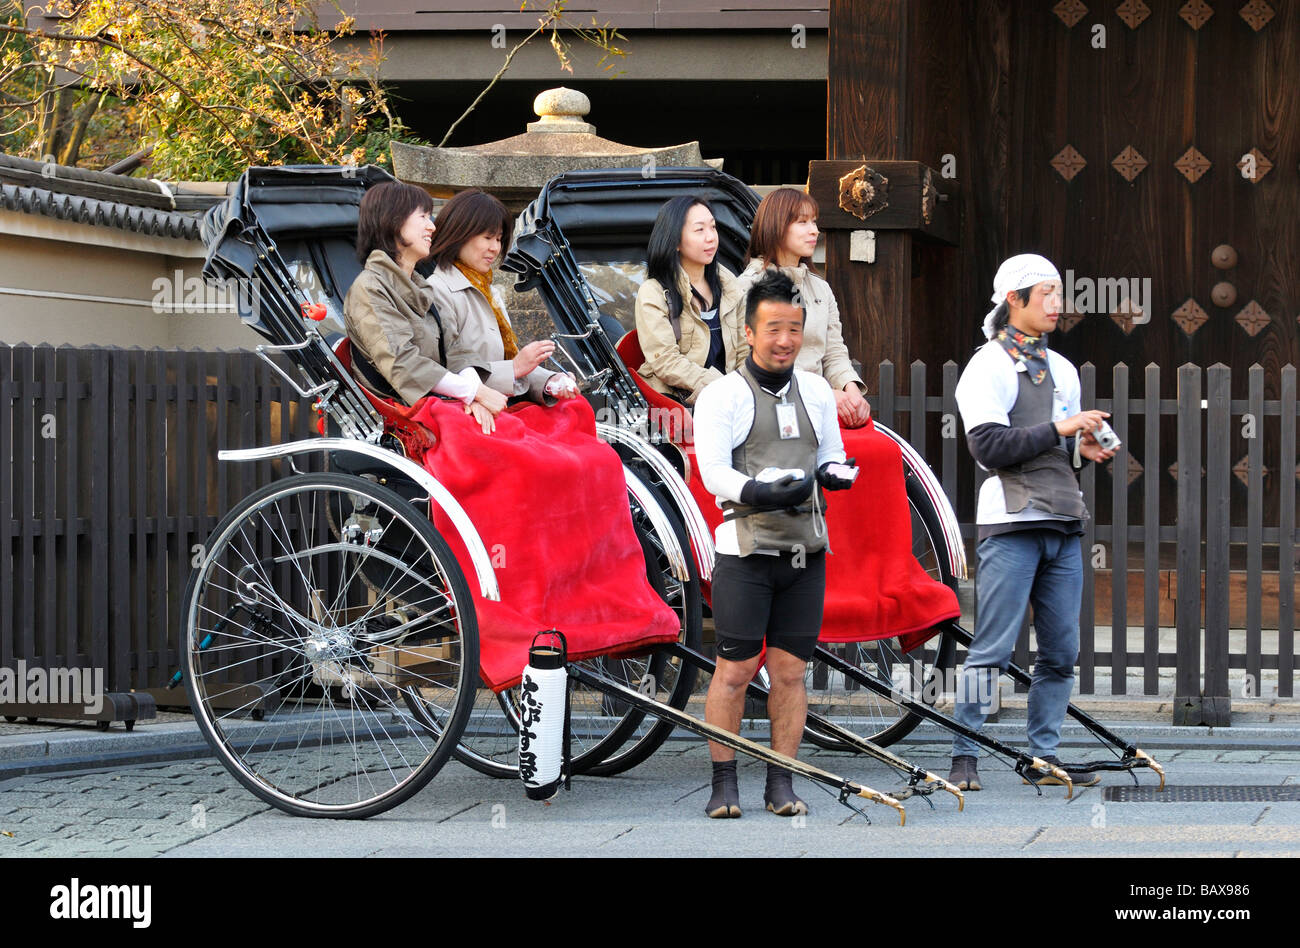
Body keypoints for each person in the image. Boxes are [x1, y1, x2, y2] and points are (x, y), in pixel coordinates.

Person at [948, 253, 1118, 792]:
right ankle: (963, 755)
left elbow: (1054, 442)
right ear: (1013, 300)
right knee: (993, 648)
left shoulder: (1062, 369)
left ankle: (1043, 756)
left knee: (1062, 651)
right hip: (1011, 522)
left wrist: (1080, 446)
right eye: (1045, 293)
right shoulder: (987, 365)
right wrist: (1061, 426)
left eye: (1059, 292)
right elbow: (990, 446)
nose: (1056, 303)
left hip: (1063, 521)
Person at [693, 270, 859, 818]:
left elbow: (829, 452)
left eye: (794, 328)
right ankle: (724, 783)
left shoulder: (815, 390)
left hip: (805, 551)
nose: (785, 340)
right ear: (748, 332)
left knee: (790, 672)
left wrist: (837, 473)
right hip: (745, 550)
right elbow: (712, 470)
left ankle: (781, 782)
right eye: (773, 329)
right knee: (736, 670)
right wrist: (757, 489)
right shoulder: (723, 395)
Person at [343, 181, 508, 432]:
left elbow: (455, 350)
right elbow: (402, 363)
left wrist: (476, 393)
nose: (432, 226)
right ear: (394, 221)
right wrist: (473, 392)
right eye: (423, 216)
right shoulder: (370, 288)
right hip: (402, 414)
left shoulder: (421, 286)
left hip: (439, 404)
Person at [426, 188, 578, 433]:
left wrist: (550, 382)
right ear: (460, 234)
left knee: (576, 410)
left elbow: (510, 362)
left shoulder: (489, 291)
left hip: (505, 403)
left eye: (498, 239)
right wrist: (516, 368)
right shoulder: (437, 290)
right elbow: (445, 369)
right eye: (487, 237)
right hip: (469, 413)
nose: (495, 248)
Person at [734, 188, 871, 429]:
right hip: (771, 407)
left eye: (814, 222)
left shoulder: (821, 289)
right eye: (802, 222)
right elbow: (752, 361)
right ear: (776, 226)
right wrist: (825, 393)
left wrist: (851, 390)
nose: (814, 230)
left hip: (823, 405)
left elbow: (833, 351)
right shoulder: (747, 287)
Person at [634, 195, 746, 405]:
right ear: (675, 240)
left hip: (731, 398)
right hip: (679, 401)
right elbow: (666, 362)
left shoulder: (730, 286)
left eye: (713, 227)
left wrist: (744, 389)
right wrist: (723, 387)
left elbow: (744, 350)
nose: (711, 237)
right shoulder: (654, 292)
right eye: (699, 230)